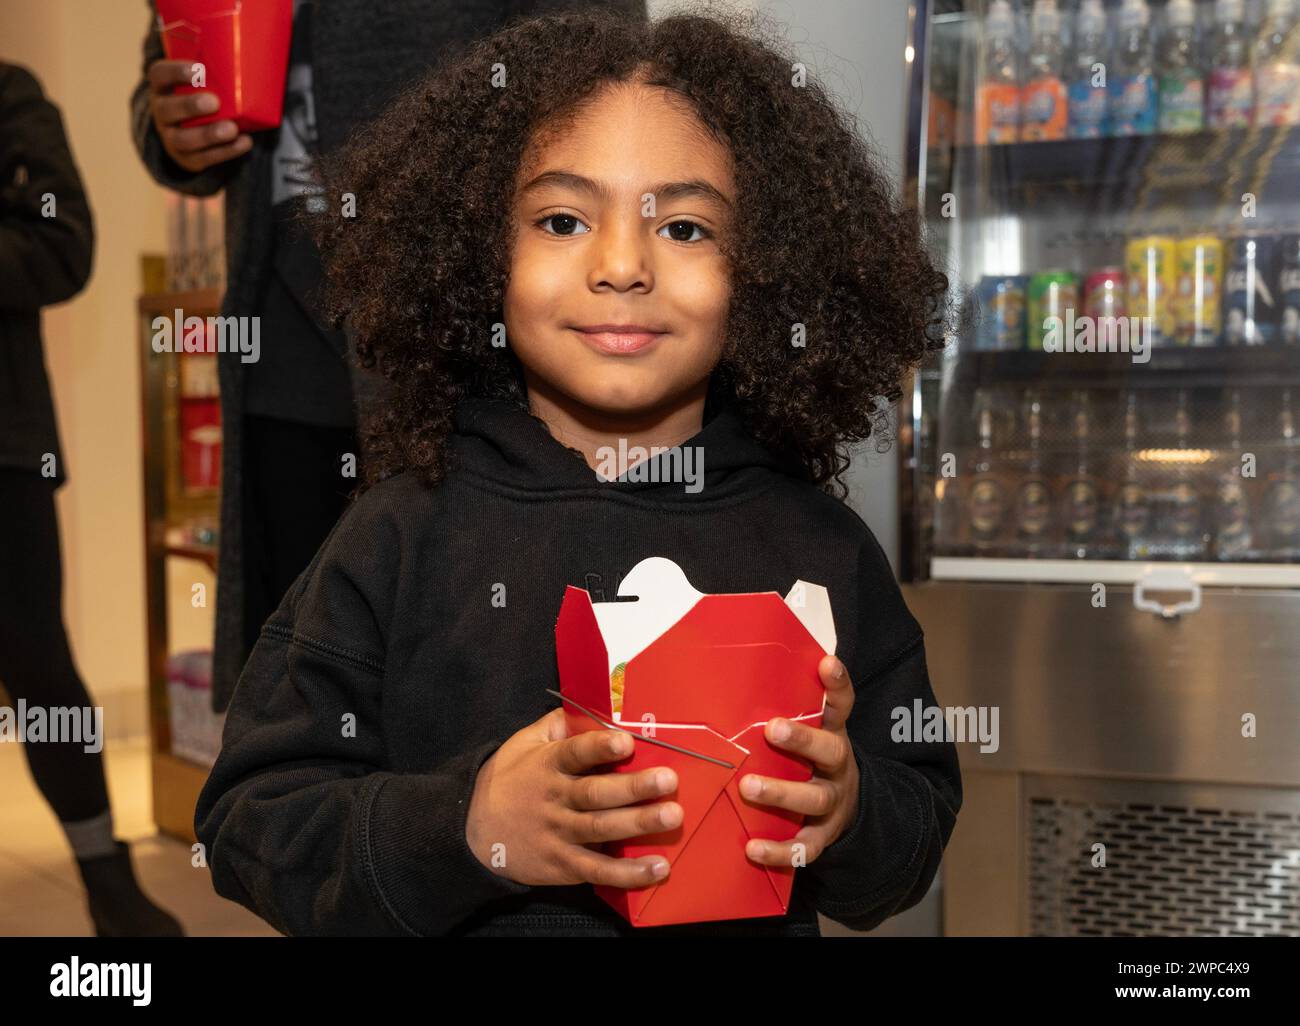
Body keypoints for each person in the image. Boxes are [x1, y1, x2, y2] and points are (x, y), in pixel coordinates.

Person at [194, 8, 962, 937]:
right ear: (479, 252)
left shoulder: (820, 548)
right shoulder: (399, 535)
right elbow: (250, 822)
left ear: (768, 271)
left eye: (684, 227)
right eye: (562, 219)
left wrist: (849, 811)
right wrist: (469, 827)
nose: (623, 265)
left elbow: (913, 838)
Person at [129, 0, 645, 719]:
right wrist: (168, 126)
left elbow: (607, 63)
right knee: (294, 684)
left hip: (460, 329)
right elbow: (166, 77)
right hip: (279, 339)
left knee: (481, 664)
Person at [0, 60, 183, 936]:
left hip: (1, 452)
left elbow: (61, 245)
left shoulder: (8, 96)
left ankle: (106, 875)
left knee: (38, 664)